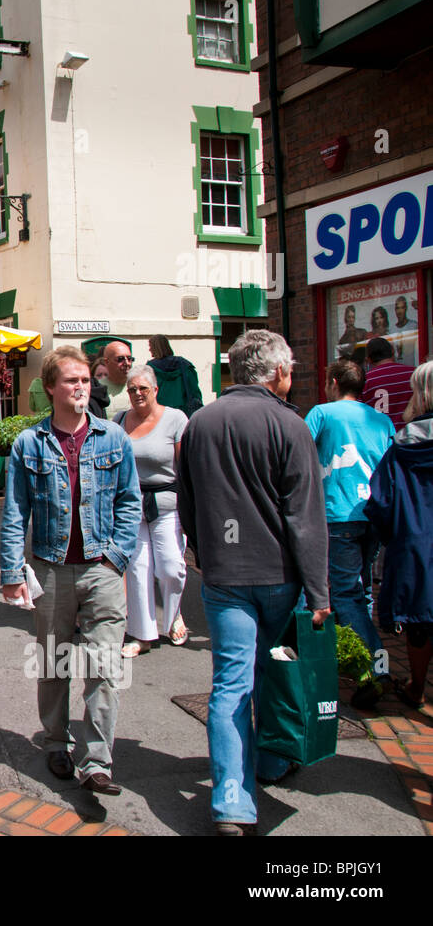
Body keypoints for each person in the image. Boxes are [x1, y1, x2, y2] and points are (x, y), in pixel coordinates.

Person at [177, 330, 330, 836]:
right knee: (274, 674)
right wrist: (319, 591)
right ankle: (265, 762)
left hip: (225, 575)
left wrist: (204, 550)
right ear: (277, 372)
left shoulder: (201, 423)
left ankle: (231, 801)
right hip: (279, 575)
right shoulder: (290, 424)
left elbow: (189, 502)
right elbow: (305, 518)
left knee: (230, 685)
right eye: (290, 369)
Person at [1, 346, 141, 795]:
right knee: (53, 663)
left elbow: (130, 501)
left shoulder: (114, 438)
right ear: (50, 388)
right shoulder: (29, 443)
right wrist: (11, 571)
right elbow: (13, 513)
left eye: (85, 380)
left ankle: (98, 760)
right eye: (71, 381)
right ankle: (56, 741)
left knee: (104, 665)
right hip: (51, 567)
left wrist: (116, 556)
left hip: (101, 568)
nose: (81, 387)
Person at [305, 360, 395, 708]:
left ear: (332, 382)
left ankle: (375, 667)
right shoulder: (381, 420)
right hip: (372, 514)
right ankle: (358, 663)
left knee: (344, 595)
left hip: (338, 514)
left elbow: (298, 453)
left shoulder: (322, 413)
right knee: (361, 592)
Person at [365, 360, 433, 711]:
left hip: (415, 543)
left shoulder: (402, 447)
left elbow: (381, 501)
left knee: (421, 622)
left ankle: (417, 687)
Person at [114, 366, 189, 656]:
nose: (137, 394)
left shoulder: (175, 419)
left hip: (168, 503)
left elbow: (185, 468)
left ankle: (173, 616)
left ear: (155, 390)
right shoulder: (120, 420)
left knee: (171, 567)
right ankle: (141, 635)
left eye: (142, 388)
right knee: (137, 568)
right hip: (132, 506)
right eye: (132, 389)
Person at [363, 336, 414, 431]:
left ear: (369, 359)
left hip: (382, 439)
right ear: (392, 352)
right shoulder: (414, 374)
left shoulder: (366, 380)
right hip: (412, 436)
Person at [146, 334, 203, 417]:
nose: (149, 349)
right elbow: (194, 390)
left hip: (160, 413)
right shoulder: (185, 365)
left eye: (150, 346)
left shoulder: (149, 368)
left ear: (155, 348)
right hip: (183, 412)